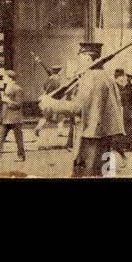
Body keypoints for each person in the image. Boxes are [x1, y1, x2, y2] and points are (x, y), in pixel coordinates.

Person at [39, 42, 125, 178]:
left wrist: (50, 103)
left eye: (81, 58)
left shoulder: (90, 78)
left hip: (90, 137)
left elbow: (77, 107)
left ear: (88, 59)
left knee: (85, 174)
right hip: (105, 136)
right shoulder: (108, 77)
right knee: (104, 173)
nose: (80, 62)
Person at [0, 68, 26, 162]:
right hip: (7, 118)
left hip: (15, 118)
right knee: (0, 137)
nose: (3, 78)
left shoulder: (17, 89)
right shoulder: (8, 88)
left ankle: (21, 156)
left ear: (10, 78)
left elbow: (18, 104)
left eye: (5, 77)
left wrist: (8, 101)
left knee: (18, 139)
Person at [35, 63, 65, 145]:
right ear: (59, 71)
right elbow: (61, 92)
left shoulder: (48, 79)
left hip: (47, 100)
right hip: (56, 100)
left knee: (46, 116)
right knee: (60, 116)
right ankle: (60, 131)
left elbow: (43, 89)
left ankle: (39, 127)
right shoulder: (58, 80)